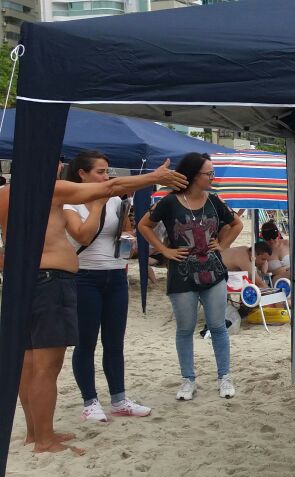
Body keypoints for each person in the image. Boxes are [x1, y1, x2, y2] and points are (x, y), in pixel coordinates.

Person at [0, 158, 187, 453]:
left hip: (20, 284)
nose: (59, 164)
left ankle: (35, 433)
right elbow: (112, 186)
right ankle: (44, 441)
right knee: (46, 368)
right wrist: (155, 176)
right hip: (50, 282)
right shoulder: (48, 190)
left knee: (28, 364)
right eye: (55, 159)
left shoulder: (5, 194)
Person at [138, 153, 243, 401]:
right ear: (195, 175)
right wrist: (163, 250)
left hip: (213, 272)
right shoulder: (170, 202)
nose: (213, 177)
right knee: (184, 329)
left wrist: (223, 245)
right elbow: (144, 225)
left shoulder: (214, 200)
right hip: (181, 273)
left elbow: (236, 224)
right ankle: (188, 379)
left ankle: (224, 377)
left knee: (218, 326)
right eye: (210, 173)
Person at [62, 151, 153, 423]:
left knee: (114, 341)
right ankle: (89, 401)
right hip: (84, 276)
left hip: (115, 275)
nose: (106, 176)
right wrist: (98, 203)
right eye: (100, 172)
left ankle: (119, 399)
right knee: (86, 343)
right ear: (82, 173)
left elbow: (121, 229)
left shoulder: (114, 200)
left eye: (106, 171)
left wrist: (128, 235)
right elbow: (82, 234)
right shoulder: (70, 201)